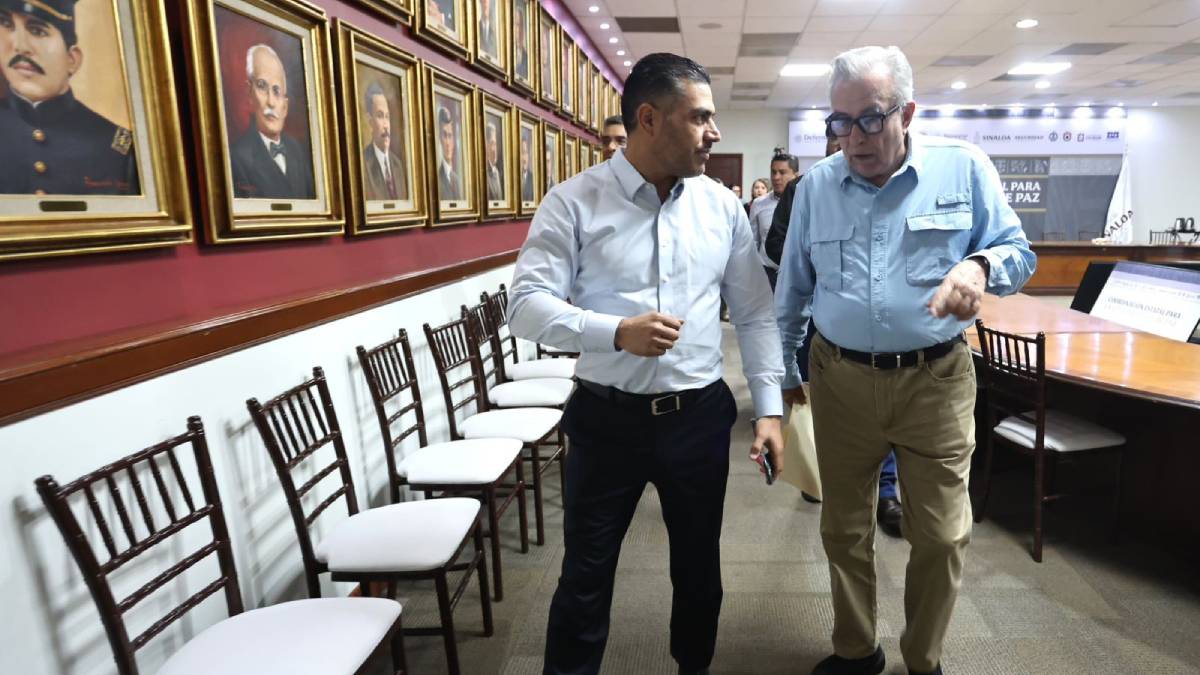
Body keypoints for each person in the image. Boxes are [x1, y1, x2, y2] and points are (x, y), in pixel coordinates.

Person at [508, 52, 784, 675]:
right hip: (607, 422)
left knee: (699, 571)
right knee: (585, 575)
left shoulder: (721, 208)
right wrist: (612, 333)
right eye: (702, 117)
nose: (715, 132)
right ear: (650, 118)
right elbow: (523, 307)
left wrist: (768, 410)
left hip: (698, 418)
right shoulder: (573, 202)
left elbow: (755, 315)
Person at [776, 46, 1035, 675]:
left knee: (943, 534)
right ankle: (856, 648)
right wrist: (788, 380)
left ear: (908, 112)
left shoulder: (963, 167)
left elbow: (1017, 252)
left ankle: (924, 658)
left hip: (936, 380)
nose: (853, 137)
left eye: (870, 118)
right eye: (839, 122)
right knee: (843, 528)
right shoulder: (815, 187)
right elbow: (793, 293)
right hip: (838, 379)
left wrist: (979, 265)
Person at [763, 138, 903, 535]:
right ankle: (815, 471)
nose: (851, 146)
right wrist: (812, 258)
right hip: (819, 322)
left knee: (884, 410)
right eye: (839, 139)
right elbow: (778, 242)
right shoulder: (805, 189)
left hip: (882, 331)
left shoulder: (889, 187)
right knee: (818, 406)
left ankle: (887, 490)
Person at [0, 0, 140, 195]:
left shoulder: (118, 144)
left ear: (71, 59)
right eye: (7, 26)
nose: (20, 46)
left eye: (38, 31)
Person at [230, 44, 315, 199]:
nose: (271, 102)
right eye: (262, 86)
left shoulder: (297, 151)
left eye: (277, 91)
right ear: (249, 95)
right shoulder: (236, 157)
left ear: (285, 107)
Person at [749, 153, 798, 290]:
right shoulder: (759, 204)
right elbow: (753, 242)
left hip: (797, 274)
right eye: (773, 172)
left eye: (782, 173)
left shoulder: (805, 202)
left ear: (795, 175)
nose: (776, 177)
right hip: (767, 274)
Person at [361, 81, 407, 201]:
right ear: (370, 122)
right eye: (380, 116)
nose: (386, 125)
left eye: (387, 117)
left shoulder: (398, 165)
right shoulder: (363, 163)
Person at [436, 105, 461, 200]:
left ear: (454, 140)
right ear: (439, 139)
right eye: (444, 135)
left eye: (450, 136)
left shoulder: (456, 179)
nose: (447, 142)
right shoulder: (437, 179)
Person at [484, 121, 504, 200]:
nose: (495, 150)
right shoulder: (483, 173)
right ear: (486, 145)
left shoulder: (497, 172)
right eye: (492, 144)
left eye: (496, 144)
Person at [519, 131, 535, 201]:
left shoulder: (533, 179)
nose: (524, 159)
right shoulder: (509, 178)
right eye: (522, 153)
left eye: (525, 153)